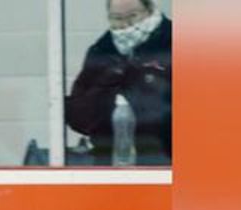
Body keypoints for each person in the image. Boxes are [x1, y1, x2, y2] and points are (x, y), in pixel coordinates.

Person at [65, 0, 172, 165]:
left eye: (133, 16)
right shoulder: (101, 51)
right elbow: (79, 119)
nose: (126, 24)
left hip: (165, 165)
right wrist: (109, 80)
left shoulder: (172, 42)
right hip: (109, 166)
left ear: (149, 9)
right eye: (117, 18)